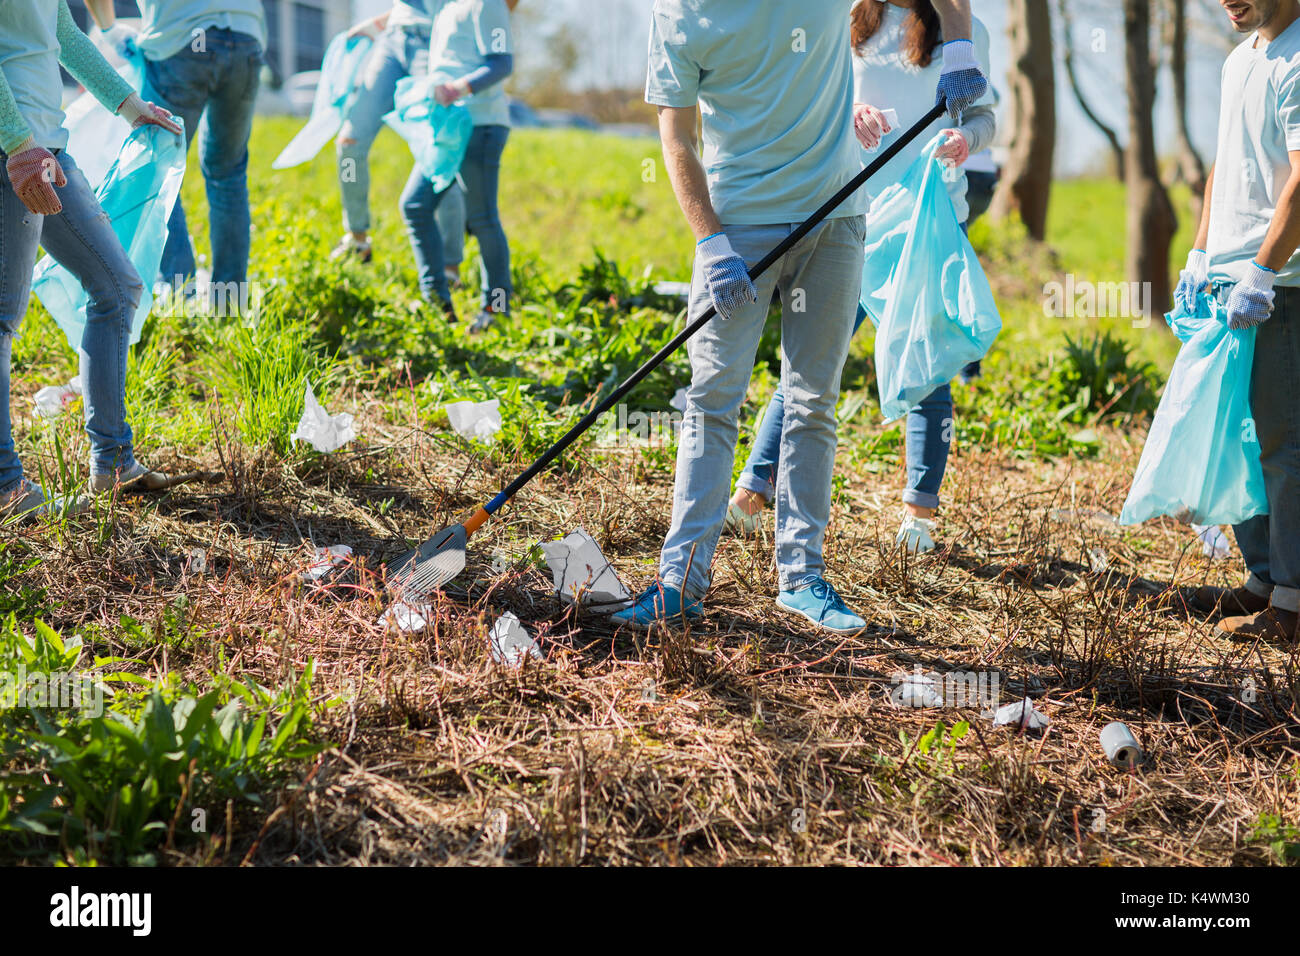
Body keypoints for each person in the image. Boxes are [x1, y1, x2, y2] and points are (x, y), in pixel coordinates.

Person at [611, 0, 981, 634]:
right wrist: (710, 242)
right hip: (738, 228)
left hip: (835, 219)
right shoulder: (676, 15)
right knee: (712, 401)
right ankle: (680, 582)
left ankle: (802, 576)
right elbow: (675, 138)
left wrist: (965, 49)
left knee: (813, 401)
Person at [724, 0, 995, 557]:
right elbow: (810, 101)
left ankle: (918, 520)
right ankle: (752, 495)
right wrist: (848, 115)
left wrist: (967, 140)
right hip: (851, 213)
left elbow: (984, 116)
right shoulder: (841, 19)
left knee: (926, 367)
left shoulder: (964, 32)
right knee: (810, 361)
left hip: (927, 220)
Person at [1, 0, 184, 520]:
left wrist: (129, 105)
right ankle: (5, 487)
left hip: (49, 150)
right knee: (2, 316)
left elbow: (64, 34)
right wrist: (16, 143)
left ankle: (113, 462)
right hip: (13, 153)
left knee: (116, 285)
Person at [1180, 0, 1300, 645]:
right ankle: (1261, 579)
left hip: (1280, 283)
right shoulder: (1239, 59)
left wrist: (1262, 270)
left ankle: (1294, 601)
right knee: (1242, 437)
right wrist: (1203, 251)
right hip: (1229, 277)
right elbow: (1224, 165)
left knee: (1285, 443)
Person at [87, 0, 264, 310]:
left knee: (160, 171)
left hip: (180, 40)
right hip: (246, 36)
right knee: (228, 174)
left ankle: (182, 295)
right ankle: (229, 302)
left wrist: (110, 30)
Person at [400, 0, 515, 332]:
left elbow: (502, 63)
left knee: (481, 219)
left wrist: (456, 89)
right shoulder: (446, 6)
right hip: (448, 128)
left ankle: (497, 309)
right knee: (415, 204)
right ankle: (438, 305)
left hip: (480, 124)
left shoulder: (487, 4)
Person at [332, 0, 466, 282]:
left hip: (436, 41)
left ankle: (450, 267)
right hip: (393, 41)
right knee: (349, 143)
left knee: (439, 153)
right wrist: (379, 24)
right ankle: (357, 238)